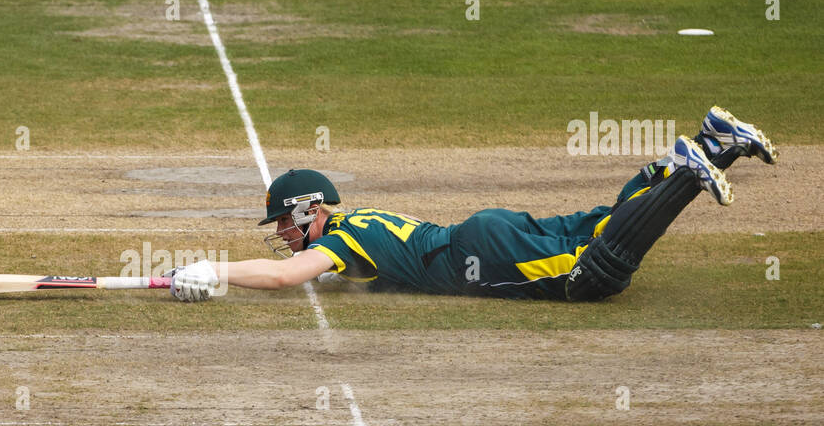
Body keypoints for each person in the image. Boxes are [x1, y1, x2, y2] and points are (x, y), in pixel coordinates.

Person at [167, 107, 778, 303]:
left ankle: (689, 173)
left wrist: (210, 272)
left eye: (283, 219)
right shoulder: (358, 222)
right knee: (599, 222)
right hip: (486, 232)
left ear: (307, 209)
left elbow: (282, 276)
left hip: (481, 252)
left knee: (595, 273)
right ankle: (712, 147)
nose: (281, 231)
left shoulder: (337, 240)